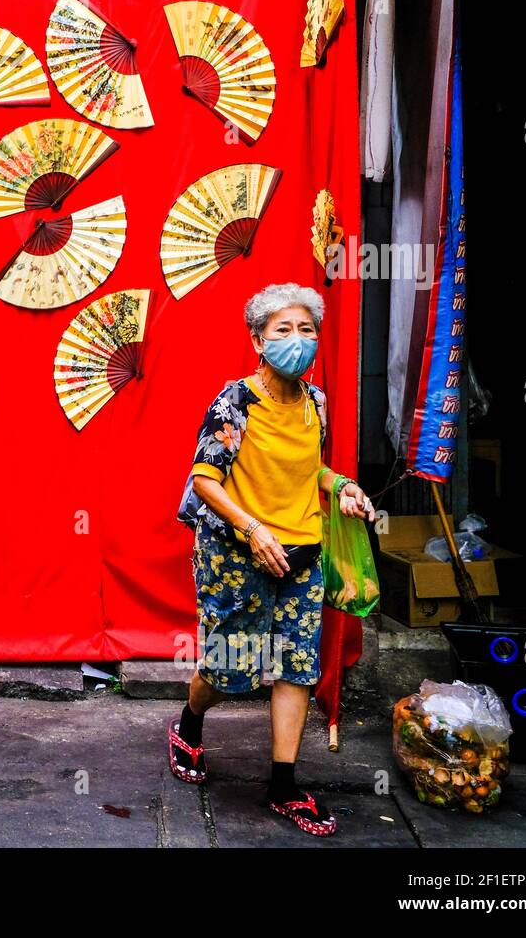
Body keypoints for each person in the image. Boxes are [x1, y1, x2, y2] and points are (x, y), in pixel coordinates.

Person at [170, 282, 374, 837]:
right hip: (238, 553)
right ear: (258, 340)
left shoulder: (316, 402)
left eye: (307, 329)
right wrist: (254, 528)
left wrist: (343, 487)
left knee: (297, 665)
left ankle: (283, 785)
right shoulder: (236, 401)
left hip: (303, 554)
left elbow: (311, 472)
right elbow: (205, 479)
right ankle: (189, 725)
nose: (297, 339)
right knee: (228, 666)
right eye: (283, 329)